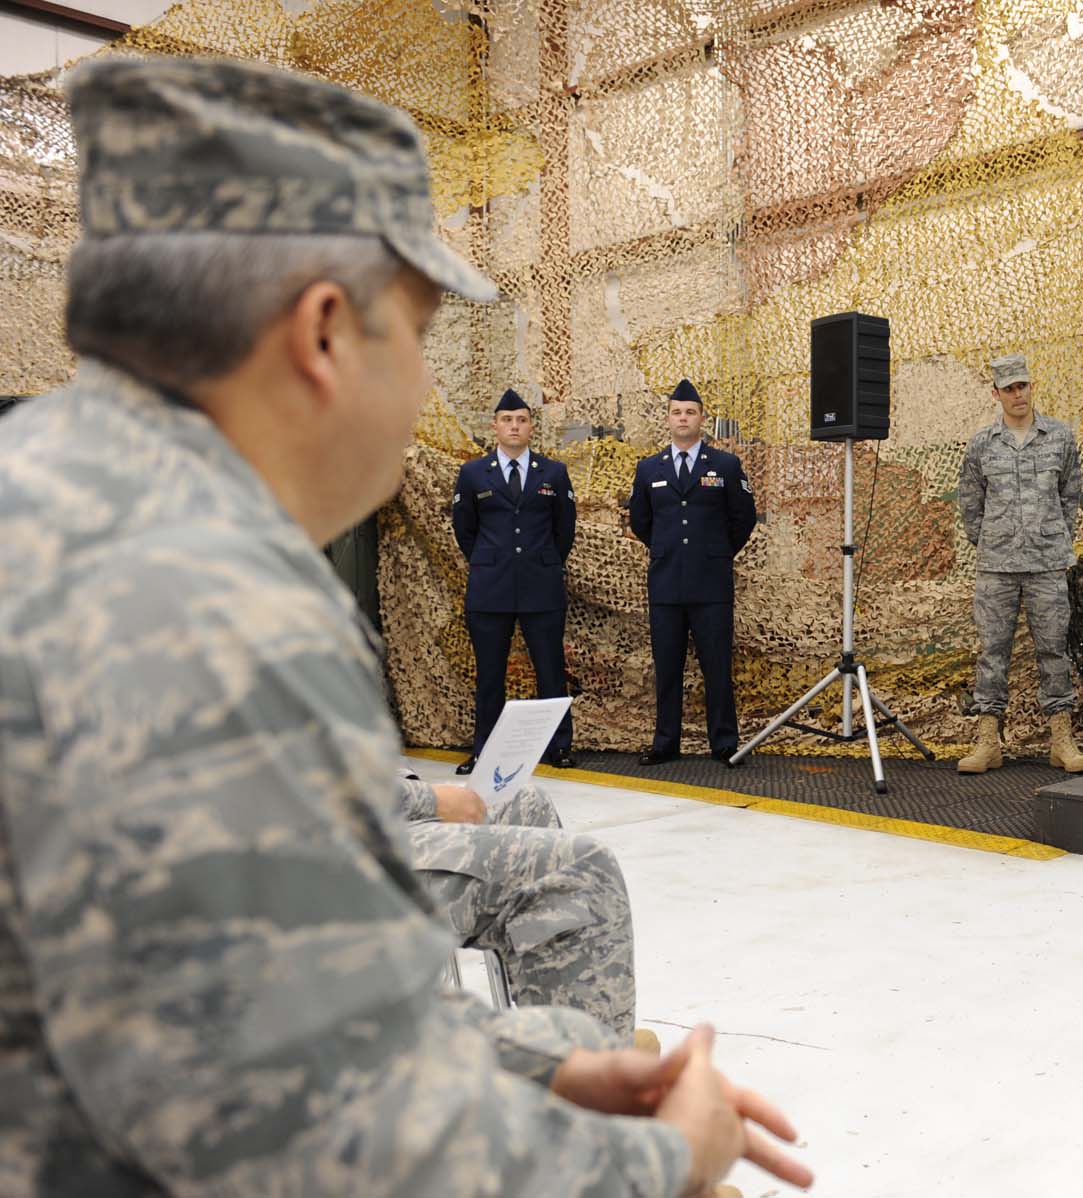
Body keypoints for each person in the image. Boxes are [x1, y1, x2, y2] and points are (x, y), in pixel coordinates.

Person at [0, 56, 809, 1196]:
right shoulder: (211, 602)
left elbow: (272, 1018)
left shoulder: (63, 492)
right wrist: (667, 1158)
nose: (424, 383)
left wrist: (546, 1066)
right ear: (325, 331)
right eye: (418, 335)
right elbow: (357, 1146)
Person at [397, 773, 641, 1041]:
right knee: (579, 867)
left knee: (529, 800)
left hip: (388, 811)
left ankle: (573, 1028)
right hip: (367, 855)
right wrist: (427, 799)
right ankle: (593, 1057)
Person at [955, 354, 1083, 776]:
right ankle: (988, 741)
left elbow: (1070, 495)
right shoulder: (982, 444)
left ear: (1032, 387)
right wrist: (992, 540)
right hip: (996, 566)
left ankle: (1061, 740)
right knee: (992, 653)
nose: (1018, 395)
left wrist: (1054, 538)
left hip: (1047, 564)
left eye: (1023, 386)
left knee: (1053, 650)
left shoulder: (1059, 437)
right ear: (996, 394)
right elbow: (970, 502)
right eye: (1009, 389)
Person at [627, 380, 758, 766]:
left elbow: (744, 518)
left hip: (711, 582)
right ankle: (665, 742)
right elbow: (640, 521)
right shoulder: (649, 468)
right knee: (667, 668)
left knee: (717, 666)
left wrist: (717, 553)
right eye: (676, 412)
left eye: (690, 412)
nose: (683, 418)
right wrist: (668, 550)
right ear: (668, 419)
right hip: (666, 582)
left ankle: (724, 741)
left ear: (702, 419)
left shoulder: (725, 465)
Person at [452, 388, 577, 773]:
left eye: (521, 420)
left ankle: (558, 747)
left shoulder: (553, 473)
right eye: (507, 420)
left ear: (532, 428)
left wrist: (543, 563)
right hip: (491, 587)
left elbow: (564, 530)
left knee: (551, 672)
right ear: (494, 426)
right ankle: (484, 750)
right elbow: (464, 530)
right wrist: (490, 561)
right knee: (490, 675)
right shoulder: (473, 473)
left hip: (541, 586)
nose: (514, 426)